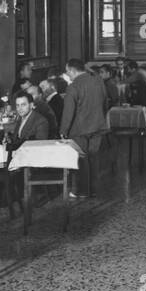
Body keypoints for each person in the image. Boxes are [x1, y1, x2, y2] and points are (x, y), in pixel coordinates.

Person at [59, 58, 108, 197]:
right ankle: (93, 190)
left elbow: (68, 111)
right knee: (94, 159)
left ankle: (81, 191)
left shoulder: (73, 86)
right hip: (98, 125)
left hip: (80, 129)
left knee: (81, 159)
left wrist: (63, 131)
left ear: (73, 70)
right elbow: (105, 101)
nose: (67, 73)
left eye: (67, 70)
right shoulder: (98, 81)